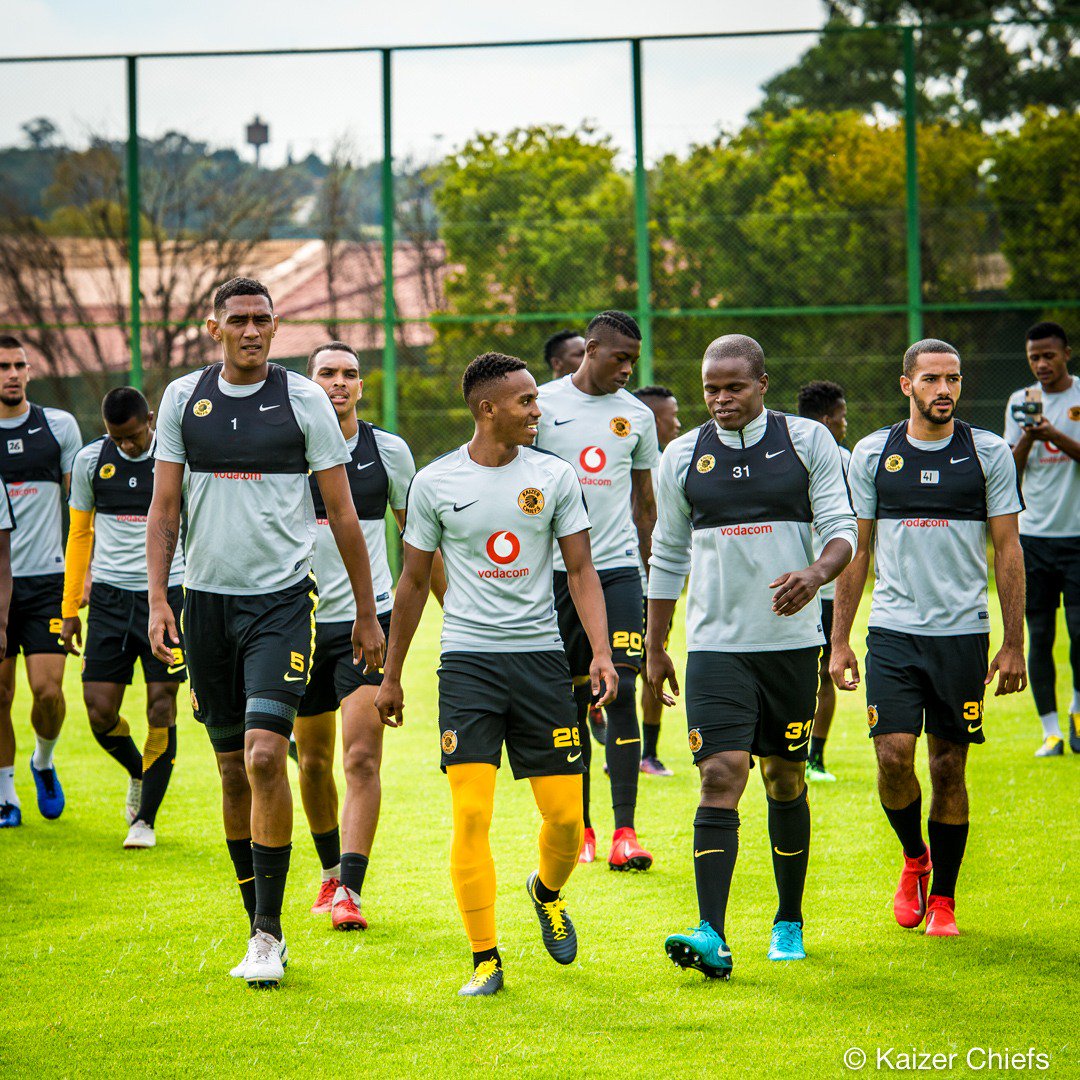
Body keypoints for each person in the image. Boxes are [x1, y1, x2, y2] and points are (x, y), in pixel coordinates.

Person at [146, 277, 385, 989]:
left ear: (276, 327)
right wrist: (160, 599)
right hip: (205, 606)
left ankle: (268, 934)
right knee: (228, 770)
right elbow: (163, 509)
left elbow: (343, 516)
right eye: (240, 319)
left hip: (282, 604)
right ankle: (256, 918)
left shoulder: (303, 400)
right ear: (214, 324)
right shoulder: (183, 399)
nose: (253, 330)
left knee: (261, 758)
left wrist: (368, 615)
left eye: (265, 320)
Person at [375, 352, 617, 998]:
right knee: (471, 814)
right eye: (527, 402)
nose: (539, 411)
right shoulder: (434, 483)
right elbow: (412, 582)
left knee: (566, 818)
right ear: (488, 410)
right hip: (468, 667)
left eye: (537, 400)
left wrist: (599, 652)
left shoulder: (556, 477)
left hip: (540, 664)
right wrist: (392, 675)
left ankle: (547, 891)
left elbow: (583, 572)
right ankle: (485, 958)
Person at [649, 334, 856, 980]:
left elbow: (843, 529)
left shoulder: (807, 443)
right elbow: (668, 554)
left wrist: (817, 573)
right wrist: (655, 646)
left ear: (763, 384)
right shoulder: (682, 457)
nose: (720, 399)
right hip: (716, 648)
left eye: (734, 387)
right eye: (711, 388)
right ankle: (712, 931)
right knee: (721, 774)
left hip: (791, 649)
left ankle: (788, 918)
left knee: (784, 779)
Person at [831, 338, 1026, 938]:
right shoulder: (873, 453)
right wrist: (840, 640)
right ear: (906, 385)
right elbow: (857, 551)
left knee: (948, 768)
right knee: (892, 756)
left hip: (962, 635)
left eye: (955, 380)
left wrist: (1013, 642)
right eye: (933, 379)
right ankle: (914, 855)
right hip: (892, 631)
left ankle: (943, 897)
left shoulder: (987, 452)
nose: (945, 390)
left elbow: (1008, 549)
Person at [293, 341, 444, 929]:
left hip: (368, 622)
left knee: (360, 757)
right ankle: (329, 872)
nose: (338, 383)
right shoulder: (286, 445)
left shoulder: (389, 451)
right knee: (312, 762)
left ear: (362, 385)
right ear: (308, 383)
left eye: (349, 374)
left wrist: (452, 609)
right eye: (326, 373)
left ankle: (349, 892)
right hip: (296, 623)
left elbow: (418, 546)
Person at [536, 311, 659, 870]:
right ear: (591, 349)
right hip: (553, 575)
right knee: (571, 699)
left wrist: (651, 567)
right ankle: (583, 827)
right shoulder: (540, 404)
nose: (628, 370)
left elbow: (644, 503)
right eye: (620, 358)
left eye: (634, 360)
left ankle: (625, 832)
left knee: (623, 690)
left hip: (616, 572)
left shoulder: (636, 417)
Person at [61, 387, 186, 849]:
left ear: (150, 419)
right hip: (111, 601)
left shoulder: (176, 459)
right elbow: (79, 534)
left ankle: (145, 821)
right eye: (117, 438)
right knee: (98, 710)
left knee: (160, 705)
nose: (126, 446)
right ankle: (141, 771)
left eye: (133, 437)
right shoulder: (92, 461)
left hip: (169, 597)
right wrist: (70, 606)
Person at [0, 334, 81, 827]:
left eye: (19, 365)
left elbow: (81, 509)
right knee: (0, 694)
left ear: (30, 371)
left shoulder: (58, 427)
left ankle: (43, 762)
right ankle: (6, 795)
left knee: (48, 693)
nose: (11, 374)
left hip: (49, 581)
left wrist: (82, 572)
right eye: (3, 366)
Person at [1004, 321, 1080, 757]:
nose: (1041, 364)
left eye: (1049, 355)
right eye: (1034, 357)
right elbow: (1010, 470)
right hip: (1032, 539)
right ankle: (1050, 731)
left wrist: (1056, 435)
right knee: (1039, 633)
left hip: (1076, 537)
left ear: (1066, 353)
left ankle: (1078, 713)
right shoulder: (1021, 401)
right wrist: (1031, 440)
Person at [796, 380, 851, 782]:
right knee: (806, 674)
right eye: (843, 417)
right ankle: (805, 756)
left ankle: (813, 758)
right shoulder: (787, 453)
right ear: (829, 420)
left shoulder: (845, 460)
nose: (845, 425)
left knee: (820, 671)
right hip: (801, 586)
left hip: (822, 584)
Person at [633, 385, 681, 777]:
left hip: (658, 581)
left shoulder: (673, 463)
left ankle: (648, 753)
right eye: (671, 417)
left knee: (654, 658)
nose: (678, 424)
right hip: (619, 578)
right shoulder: (627, 467)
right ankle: (616, 740)